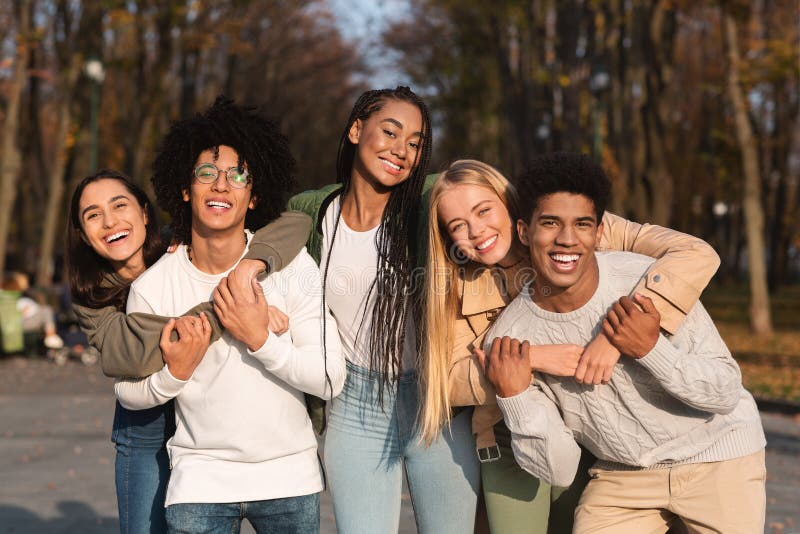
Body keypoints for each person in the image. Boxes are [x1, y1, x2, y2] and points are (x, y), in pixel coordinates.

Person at [480, 152, 766, 534]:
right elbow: (561, 468)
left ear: (599, 233)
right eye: (550, 223)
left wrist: (652, 350)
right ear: (524, 232)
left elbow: (726, 391)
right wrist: (515, 399)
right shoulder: (511, 338)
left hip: (719, 456)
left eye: (581, 224)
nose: (566, 239)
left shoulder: (646, 280)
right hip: (623, 477)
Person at [113, 97, 345, 533]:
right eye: (207, 173)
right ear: (186, 189)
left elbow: (331, 378)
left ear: (254, 195)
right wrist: (173, 374)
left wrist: (261, 339)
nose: (221, 185)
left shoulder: (292, 267)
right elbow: (128, 392)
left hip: (288, 480)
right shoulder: (153, 287)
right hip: (199, 484)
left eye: (238, 175)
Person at [66, 164, 311, 533]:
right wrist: (235, 307)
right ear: (84, 235)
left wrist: (250, 268)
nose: (109, 221)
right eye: (93, 215)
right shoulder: (90, 294)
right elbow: (125, 354)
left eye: (119, 206)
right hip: (145, 425)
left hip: (208, 423)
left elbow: (296, 224)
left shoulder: (182, 244)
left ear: (144, 213)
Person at [288, 86, 480, 533]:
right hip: (356, 404)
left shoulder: (427, 205)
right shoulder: (315, 212)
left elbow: (486, 202)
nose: (402, 150)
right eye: (390, 132)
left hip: (436, 402)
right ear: (356, 130)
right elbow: (257, 237)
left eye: (415, 143)